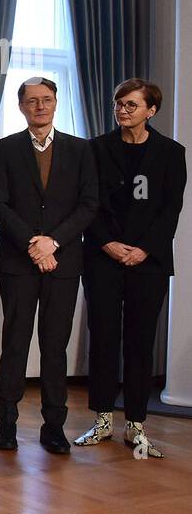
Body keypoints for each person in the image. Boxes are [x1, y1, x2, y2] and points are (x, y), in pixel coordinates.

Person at [0, 77, 98, 454]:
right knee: (15, 343)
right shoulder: (4, 149)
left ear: (55, 103)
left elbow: (88, 204)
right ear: (21, 106)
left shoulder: (81, 150)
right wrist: (34, 244)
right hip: (18, 262)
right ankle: (6, 424)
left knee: (55, 346)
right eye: (32, 101)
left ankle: (54, 427)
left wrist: (54, 241)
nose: (40, 106)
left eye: (46, 99)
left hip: (63, 263)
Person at [77, 78, 186, 457]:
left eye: (131, 105)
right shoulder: (94, 150)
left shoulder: (171, 153)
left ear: (151, 111)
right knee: (104, 338)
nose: (122, 111)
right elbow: (88, 203)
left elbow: (171, 209)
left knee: (140, 343)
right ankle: (103, 419)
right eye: (118, 104)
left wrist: (143, 249)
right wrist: (107, 243)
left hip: (148, 263)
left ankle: (136, 425)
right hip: (103, 259)